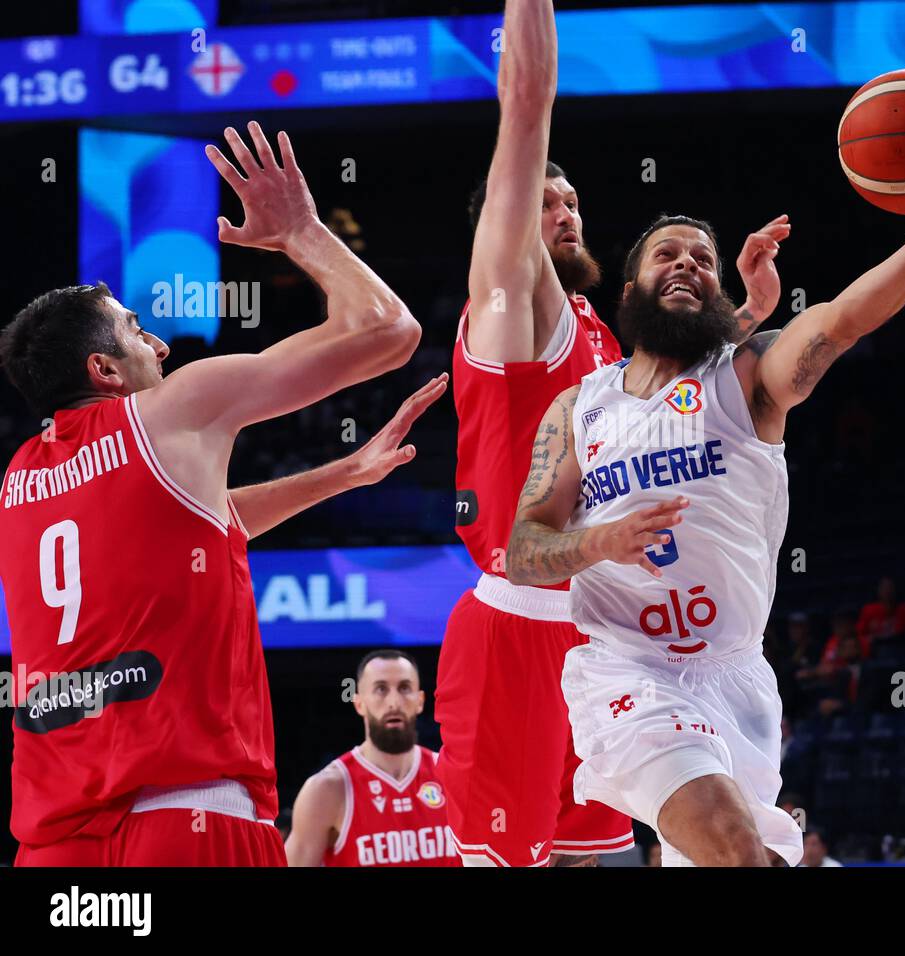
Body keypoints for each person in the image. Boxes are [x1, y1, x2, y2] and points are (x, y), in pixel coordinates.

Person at [505, 97, 905, 865]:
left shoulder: (746, 377)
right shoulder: (580, 407)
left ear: (719, 294)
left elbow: (839, 321)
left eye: (703, 260)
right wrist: (601, 540)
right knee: (738, 848)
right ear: (631, 291)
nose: (687, 265)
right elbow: (524, 548)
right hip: (624, 669)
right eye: (667, 254)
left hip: (736, 678)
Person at [0, 124, 429, 865]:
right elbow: (390, 331)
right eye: (137, 331)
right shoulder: (172, 408)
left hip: (56, 841)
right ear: (103, 369)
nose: (161, 345)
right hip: (187, 814)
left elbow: (196, 522)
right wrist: (304, 231)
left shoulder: (21, 476)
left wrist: (339, 475)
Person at [434, 0, 787, 868]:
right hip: (520, 620)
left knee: (607, 857)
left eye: (574, 198)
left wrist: (743, 318)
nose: (565, 210)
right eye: (543, 199)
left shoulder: (602, 334)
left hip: (612, 634)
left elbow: (669, 399)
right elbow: (525, 104)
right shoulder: (513, 307)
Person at [286, 651, 460, 867]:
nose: (394, 702)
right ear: (359, 703)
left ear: (420, 701)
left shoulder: (451, 776)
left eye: (405, 688)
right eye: (381, 689)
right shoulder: (328, 789)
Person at [856, 576, 905, 650]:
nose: (887, 591)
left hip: (897, 648)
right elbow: (859, 633)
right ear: (878, 590)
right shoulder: (868, 609)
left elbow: (900, 633)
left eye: (890, 587)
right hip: (874, 649)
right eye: (884, 587)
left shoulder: (903, 609)